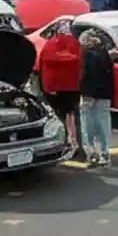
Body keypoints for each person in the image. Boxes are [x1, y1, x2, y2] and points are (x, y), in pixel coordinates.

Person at [39, 19, 83, 155]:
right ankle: (74, 142)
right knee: (73, 116)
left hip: (54, 88)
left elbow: (41, 64)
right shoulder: (76, 45)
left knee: (59, 117)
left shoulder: (50, 45)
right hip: (73, 87)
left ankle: (63, 142)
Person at [78, 30, 115, 167]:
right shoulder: (104, 53)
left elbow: (89, 74)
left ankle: (91, 153)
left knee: (87, 124)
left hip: (90, 93)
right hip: (105, 93)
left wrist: (85, 92)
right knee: (104, 122)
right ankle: (105, 153)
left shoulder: (87, 55)